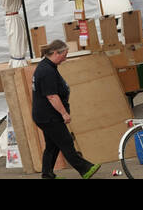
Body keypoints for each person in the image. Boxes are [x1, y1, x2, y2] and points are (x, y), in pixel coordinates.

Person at [31, 41, 100, 179]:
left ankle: (47, 175)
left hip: (44, 115)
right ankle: (85, 169)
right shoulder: (46, 71)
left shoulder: (48, 66)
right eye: (64, 54)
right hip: (49, 116)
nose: (65, 58)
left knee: (52, 145)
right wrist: (64, 113)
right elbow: (51, 96)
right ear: (56, 53)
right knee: (66, 142)